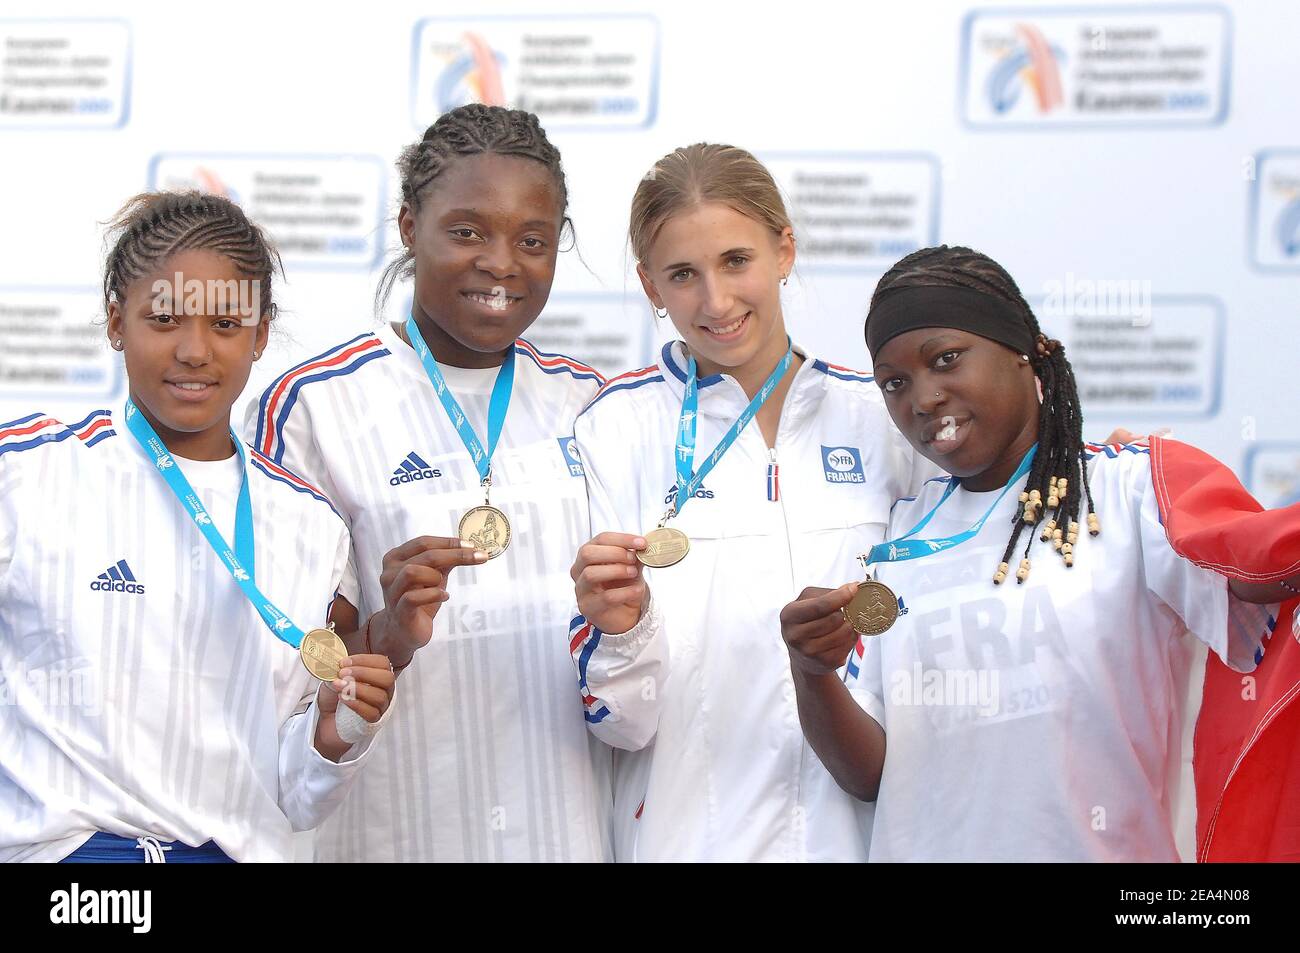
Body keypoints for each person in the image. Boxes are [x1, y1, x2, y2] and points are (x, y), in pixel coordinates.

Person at [779, 244, 1297, 862]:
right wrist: (812, 673)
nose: (922, 399)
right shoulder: (897, 541)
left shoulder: (1131, 489)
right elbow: (869, 774)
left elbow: (1262, 563)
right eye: (895, 383)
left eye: (946, 359)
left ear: (1027, 354)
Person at [248, 104, 610, 862]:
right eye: (469, 231)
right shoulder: (314, 405)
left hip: (564, 832)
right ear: (411, 227)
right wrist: (383, 635)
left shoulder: (592, 404)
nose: (502, 262)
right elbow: (279, 662)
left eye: (532, 239)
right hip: (387, 834)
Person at [0, 192, 398, 863]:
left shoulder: (308, 524)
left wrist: (335, 733)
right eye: (163, 319)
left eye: (224, 324)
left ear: (260, 335)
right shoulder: (28, 474)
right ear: (114, 322)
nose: (193, 351)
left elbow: (295, 794)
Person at [568, 143, 931, 861]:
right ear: (650, 285)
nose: (716, 301)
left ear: (784, 249)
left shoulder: (881, 416)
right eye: (682, 274)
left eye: (737, 260)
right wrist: (621, 630)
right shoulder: (615, 427)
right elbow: (620, 722)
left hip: (862, 839)